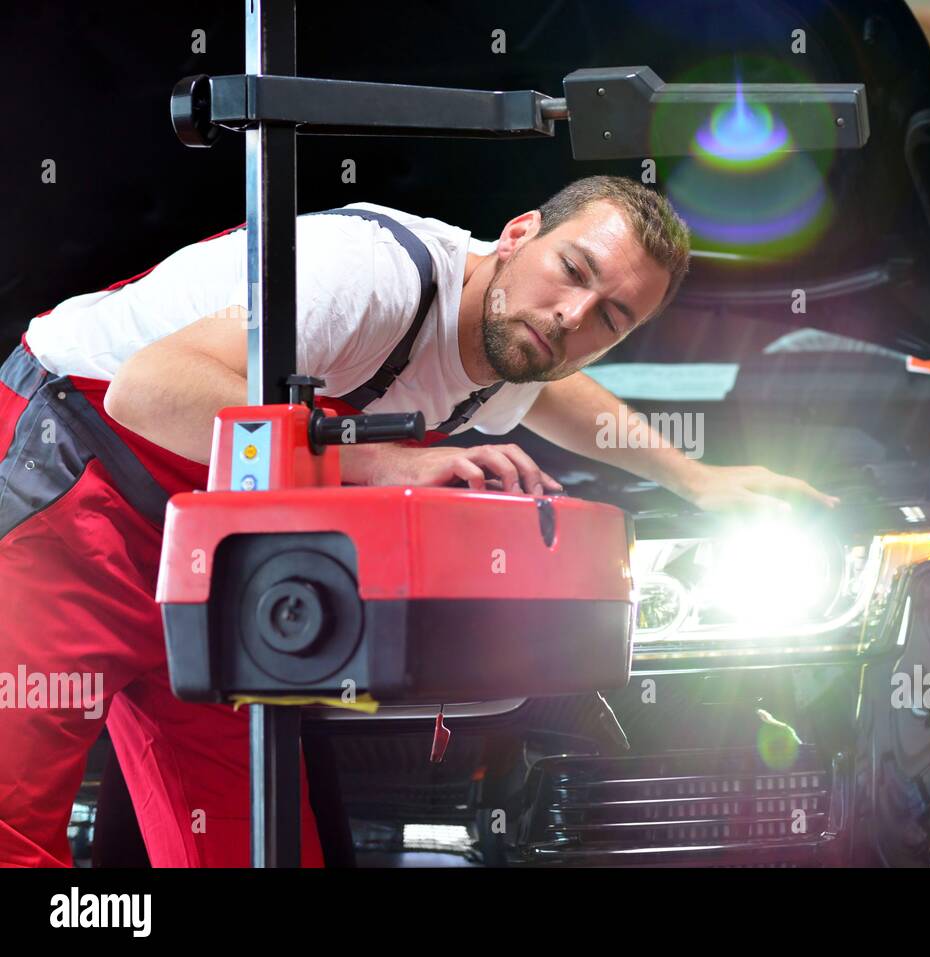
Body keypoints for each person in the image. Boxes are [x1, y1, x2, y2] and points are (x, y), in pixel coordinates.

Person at [0, 175, 837, 867]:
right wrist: (381, 463)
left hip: (218, 547)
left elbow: (551, 389)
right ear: (515, 233)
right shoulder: (364, 276)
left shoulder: (519, 340)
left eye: (611, 319)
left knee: (251, 848)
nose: (572, 319)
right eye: (573, 269)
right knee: (11, 820)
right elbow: (149, 390)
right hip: (76, 471)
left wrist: (696, 479)